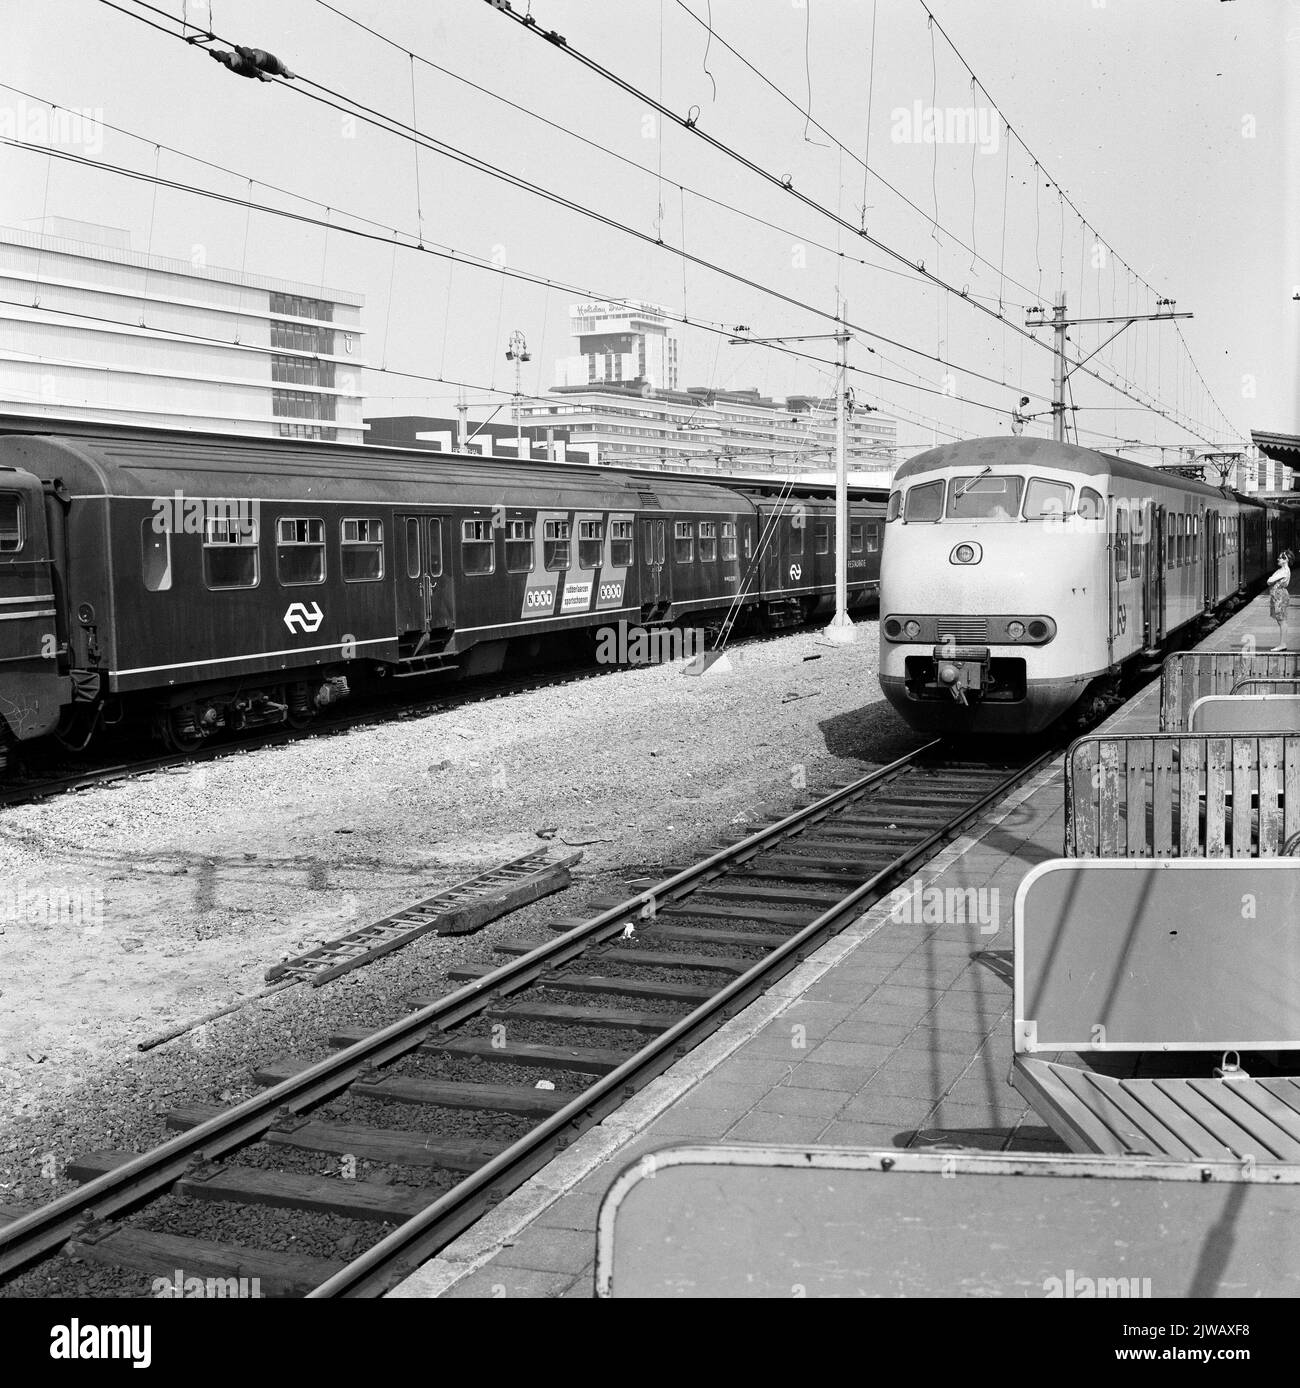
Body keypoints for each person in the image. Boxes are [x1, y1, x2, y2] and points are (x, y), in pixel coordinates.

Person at [1266, 548, 1294, 651]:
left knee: (1282, 621)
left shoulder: (1283, 571)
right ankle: (1282, 644)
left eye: (1281, 557)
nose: (1278, 559)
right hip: (1278, 596)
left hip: (1280, 596)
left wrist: (1270, 579)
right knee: (1281, 620)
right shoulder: (1282, 570)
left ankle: (1282, 644)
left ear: (1286, 560)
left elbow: (1269, 581)